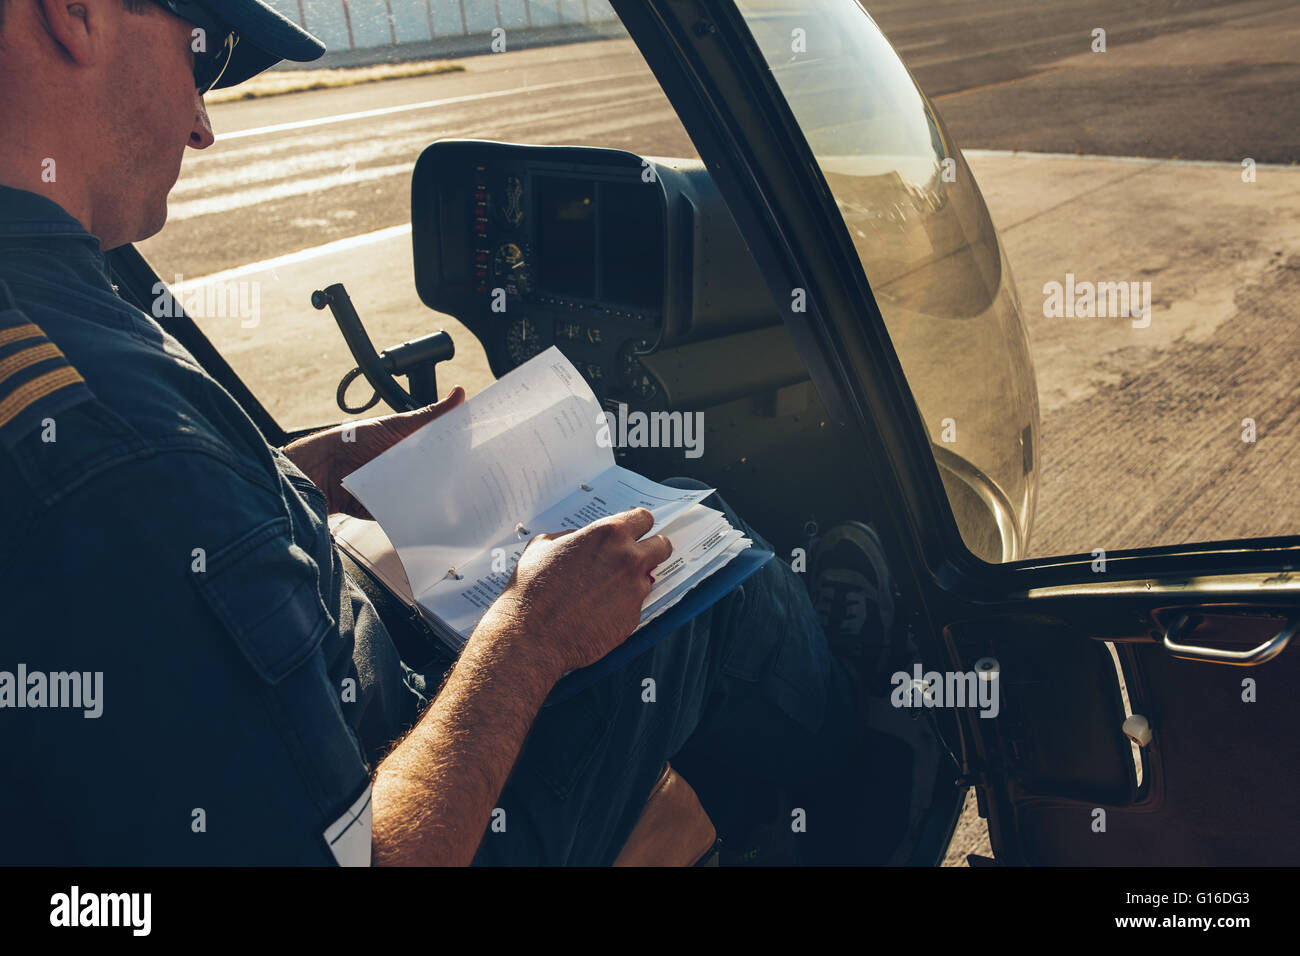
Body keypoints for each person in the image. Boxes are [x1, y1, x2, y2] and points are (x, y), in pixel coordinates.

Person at [0, 0, 895, 865]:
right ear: (74, 10)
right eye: (207, 55)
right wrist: (530, 635)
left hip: (333, 689)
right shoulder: (122, 453)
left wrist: (316, 470)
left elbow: (157, 550)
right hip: (399, 801)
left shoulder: (48, 293)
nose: (202, 123)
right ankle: (851, 780)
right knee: (720, 575)